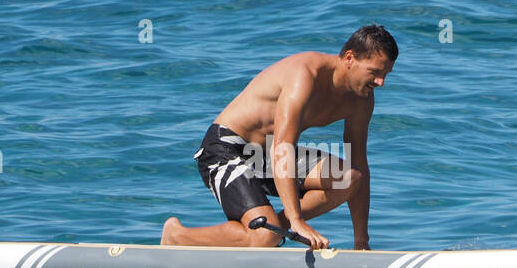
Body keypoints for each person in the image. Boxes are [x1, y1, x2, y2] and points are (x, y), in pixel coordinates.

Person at [161, 24, 397, 251]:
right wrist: (297, 219)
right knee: (266, 238)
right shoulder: (305, 75)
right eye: (375, 72)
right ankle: (177, 235)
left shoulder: (361, 100)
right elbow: (284, 147)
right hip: (226, 149)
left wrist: (362, 243)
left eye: (385, 74)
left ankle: (272, 229)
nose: (381, 82)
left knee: (350, 177)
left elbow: (360, 165)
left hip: (265, 157)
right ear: (349, 58)